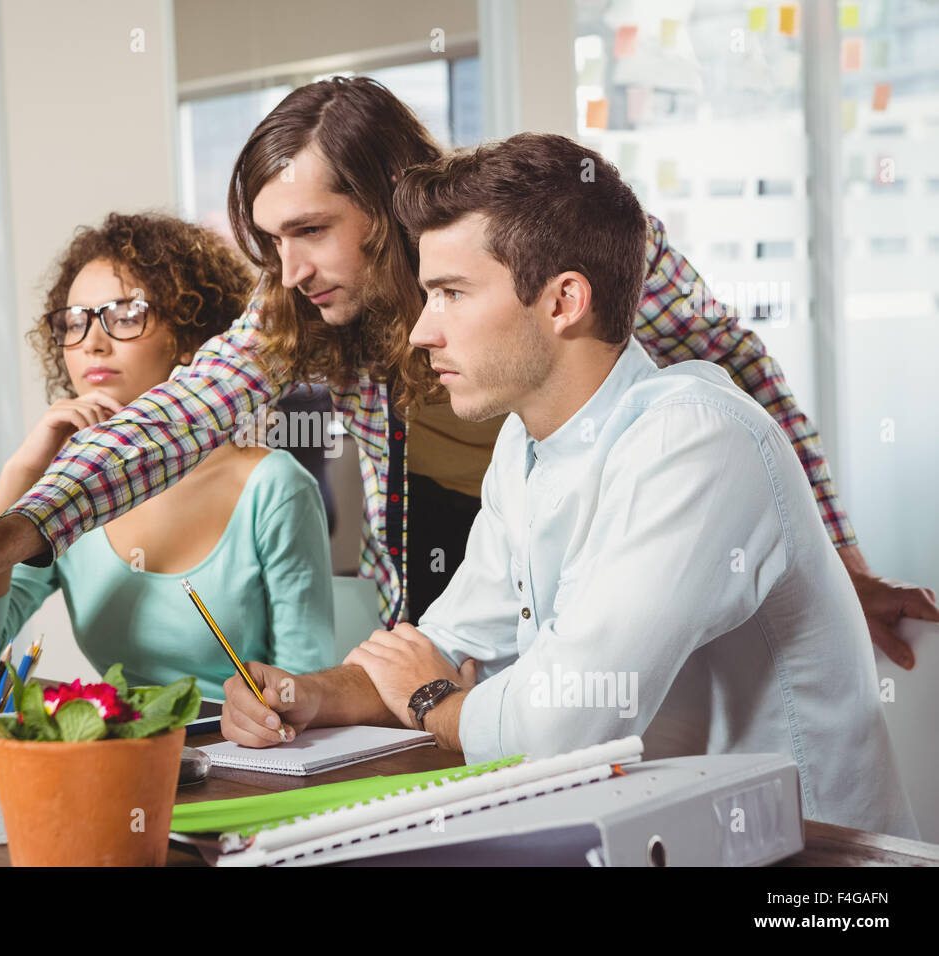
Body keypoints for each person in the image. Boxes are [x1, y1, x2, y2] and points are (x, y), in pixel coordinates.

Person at [0, 76, 937, 672]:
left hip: (630, 576)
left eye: (311, 230)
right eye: (269, 241)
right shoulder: (305, 311)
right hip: (462, 591)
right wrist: (2, 539)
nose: (288, 269)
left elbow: (743, 375)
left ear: (386, 201)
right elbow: (174, 419)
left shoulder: (545, 232)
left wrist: (839, 559)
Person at [219, 134, 918, 839]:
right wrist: (303, 695)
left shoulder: (697, 439)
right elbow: (447, 641)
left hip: (808, 859)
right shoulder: (526, 441)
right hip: (650, 839)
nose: (421, 332)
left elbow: (564, 722)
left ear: (563, 302)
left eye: (451, 294)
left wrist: (432, 698)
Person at [0, 212, 334, 697]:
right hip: (119, 751)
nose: (93, 344)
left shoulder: (274, 487)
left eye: (125, 316)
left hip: (248, 755)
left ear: (189, 338)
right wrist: (22, 473)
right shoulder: (64, 494)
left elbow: (305, 690)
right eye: (74, 323)